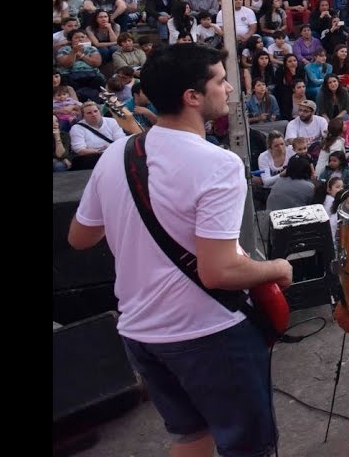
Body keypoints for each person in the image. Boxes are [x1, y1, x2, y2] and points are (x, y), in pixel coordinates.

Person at [67, 44, 291, 457]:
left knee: (193, 435)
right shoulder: (217, 164)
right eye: (220, 81)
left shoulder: (116, 154)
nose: (228, 89)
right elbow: (218, 272)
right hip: (207, 334)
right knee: (250, 446)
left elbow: (80, 238)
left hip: (140, 332)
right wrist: (276, 268)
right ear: (193, 96)